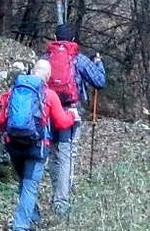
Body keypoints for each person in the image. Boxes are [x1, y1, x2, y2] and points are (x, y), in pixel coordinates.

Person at [0, 58, 76, 231]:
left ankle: (33, 216)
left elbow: (1, 119)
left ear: (33, 71)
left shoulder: (13, 91)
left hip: (14, 145)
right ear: (47, 76)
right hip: (36, 148)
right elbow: (62, 122)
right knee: (30, 185)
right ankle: (21, 229)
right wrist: (72, 115)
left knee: (24, 183)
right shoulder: (49, 95)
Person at [42, 25, 105, 215]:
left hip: (49, 112)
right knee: (67, 155)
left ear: (55, 37)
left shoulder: (46, 58)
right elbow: (100, 81)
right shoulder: (78, 59)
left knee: (53, 155)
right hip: (71, 113)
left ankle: (58, 194)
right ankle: (61, 202)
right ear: (74, 39)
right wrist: (99, 62)